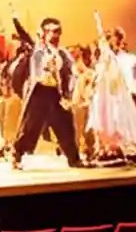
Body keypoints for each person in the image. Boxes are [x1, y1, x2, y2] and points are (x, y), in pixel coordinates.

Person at [10, 14, 87, 170]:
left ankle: (74, 158)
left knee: (65, 125)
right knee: (32, 127)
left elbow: (70, 72)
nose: (54, 35)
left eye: (57, 31)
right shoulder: (39, 52)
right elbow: (36, 73)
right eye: (50, 31)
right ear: (44, 33)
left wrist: (68, 91)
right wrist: (47, 68)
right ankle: (18, 153)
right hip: (41, 93)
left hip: (56, 94)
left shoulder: (62, 53)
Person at [87, 12, 136, 164]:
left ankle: (127, 150)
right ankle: (108, 149)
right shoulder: (105, 57)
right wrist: (98, 22)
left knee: (120, 119)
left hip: (116, 92)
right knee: (107, 120)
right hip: (106, 92)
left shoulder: (117, 57)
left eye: (113, 38)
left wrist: (99, 22)